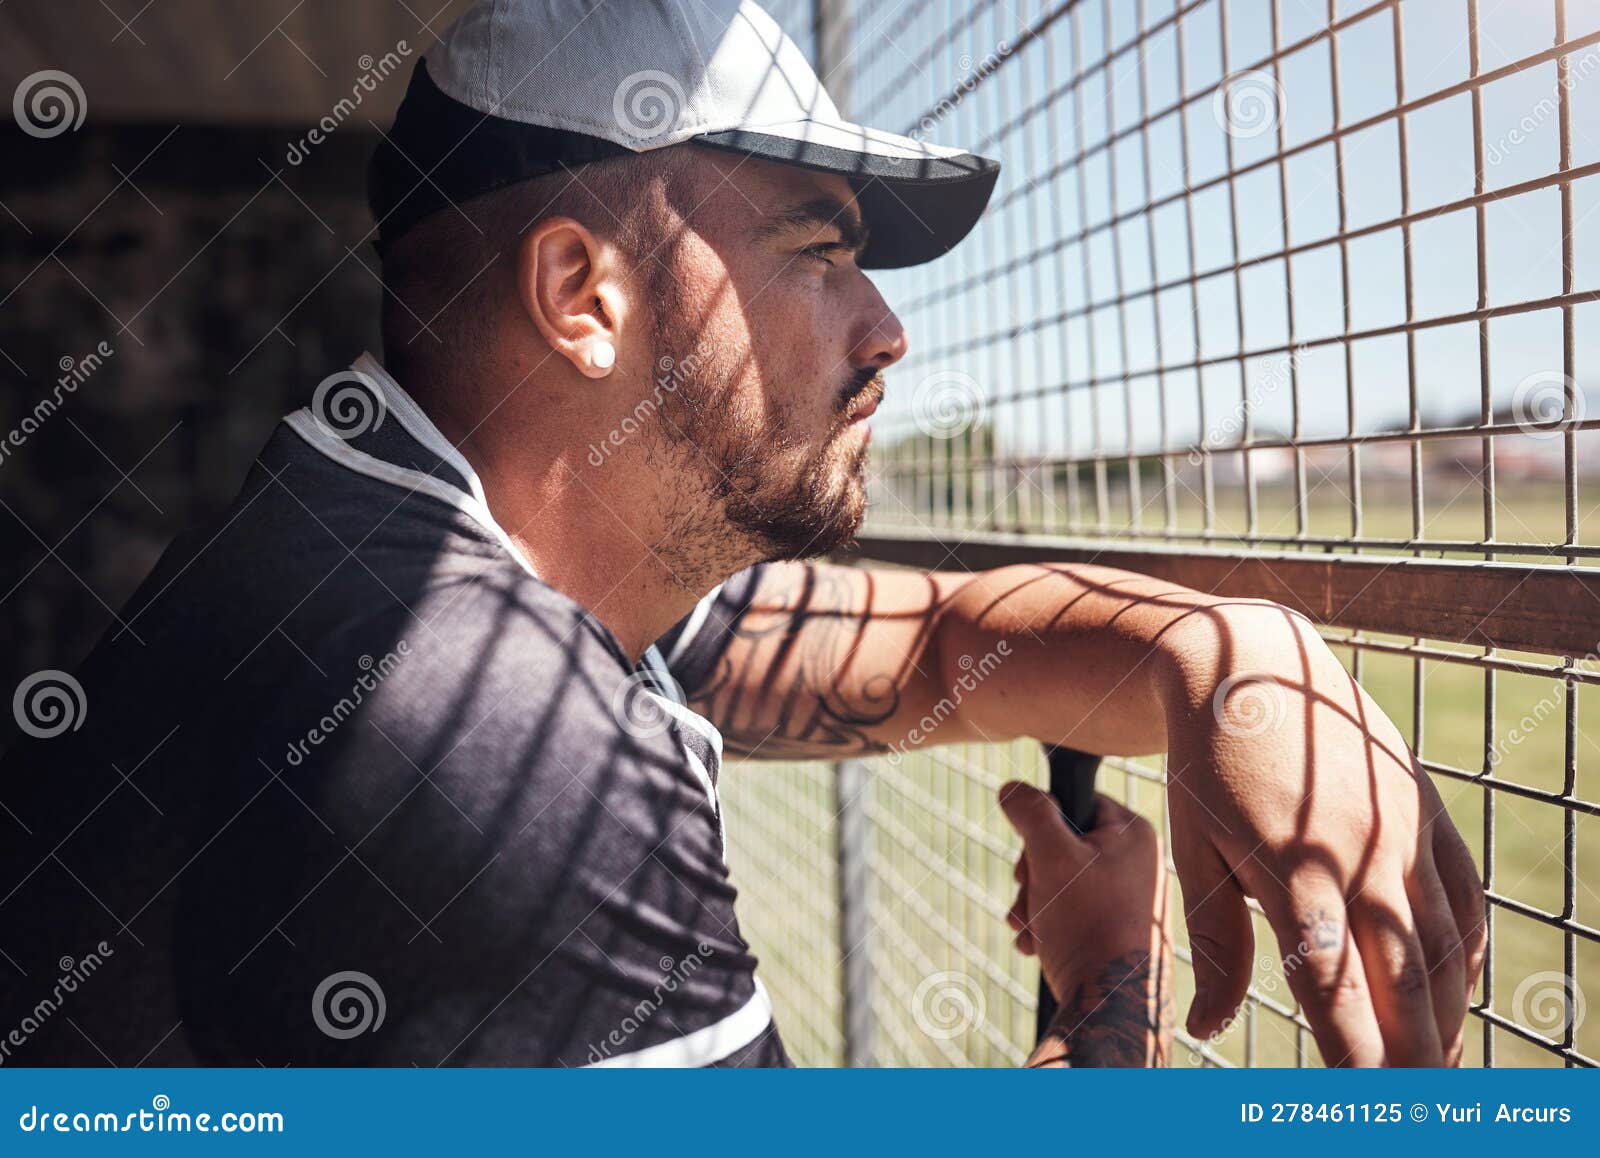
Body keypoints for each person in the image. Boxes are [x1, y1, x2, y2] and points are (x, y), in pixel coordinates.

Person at [0, 0, 1481, 1068]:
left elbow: (930, 647)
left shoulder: (425, 516)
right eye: (818, 251)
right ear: (584, 297)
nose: (887, 327)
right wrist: (1104, 987)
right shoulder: (469, 715)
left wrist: (1223, 651)